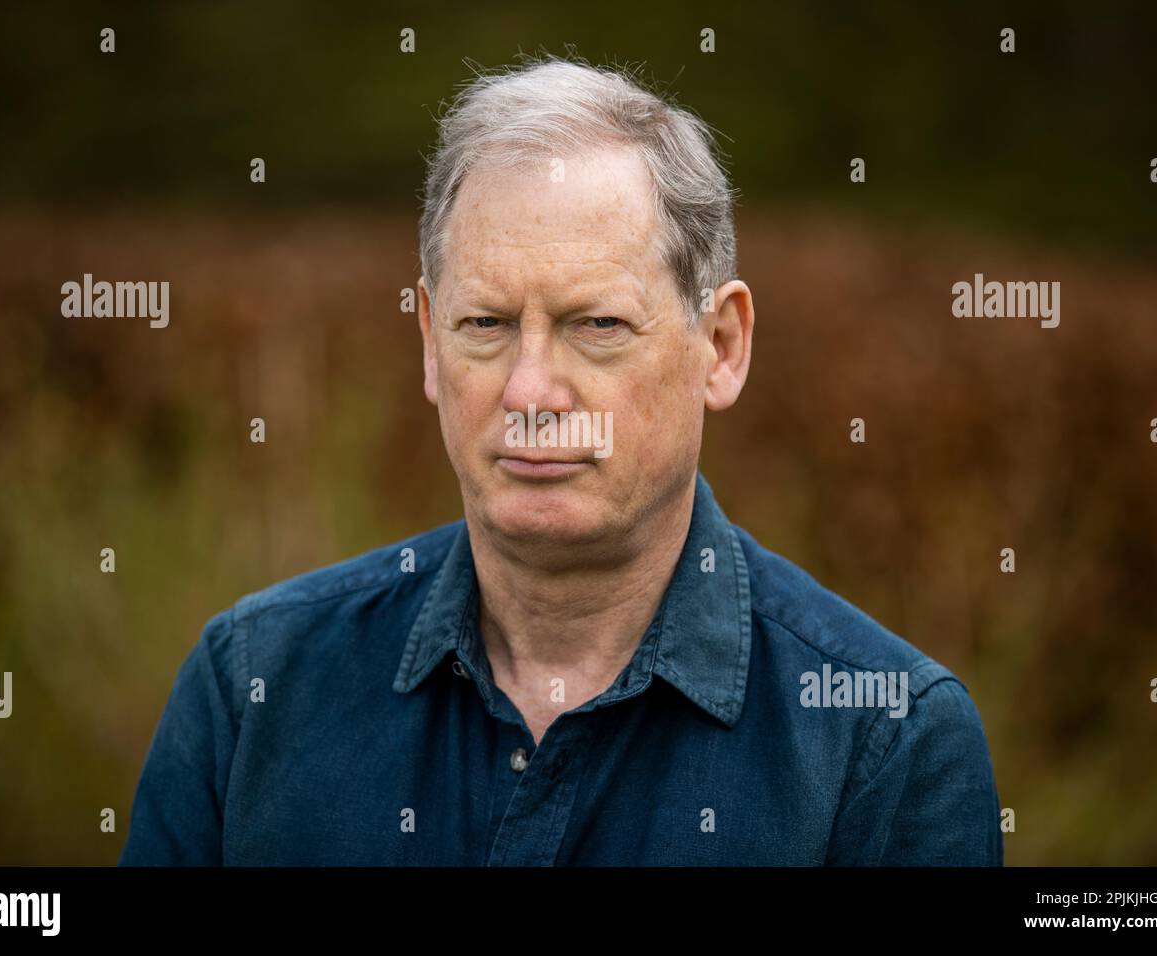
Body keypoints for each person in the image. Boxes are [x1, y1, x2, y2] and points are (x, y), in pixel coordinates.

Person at [120, 56, 1002, 865]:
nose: (531, 393)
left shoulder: (883, 741)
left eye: (599, 326)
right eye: (486, 325)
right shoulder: (252, 687)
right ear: (430, 345)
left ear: (721, 346)